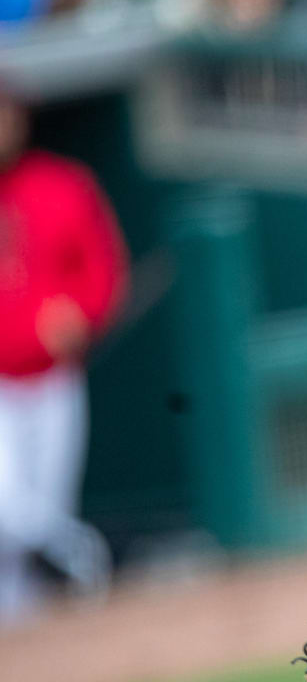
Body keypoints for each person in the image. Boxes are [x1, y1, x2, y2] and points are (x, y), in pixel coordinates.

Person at [0, 82, 127, 623]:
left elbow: (103, 270)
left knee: (35, 522)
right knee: (7, 510)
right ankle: (79, 548)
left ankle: (34, 643)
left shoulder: (62, 182)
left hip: (53, 379)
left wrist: (83, 313)